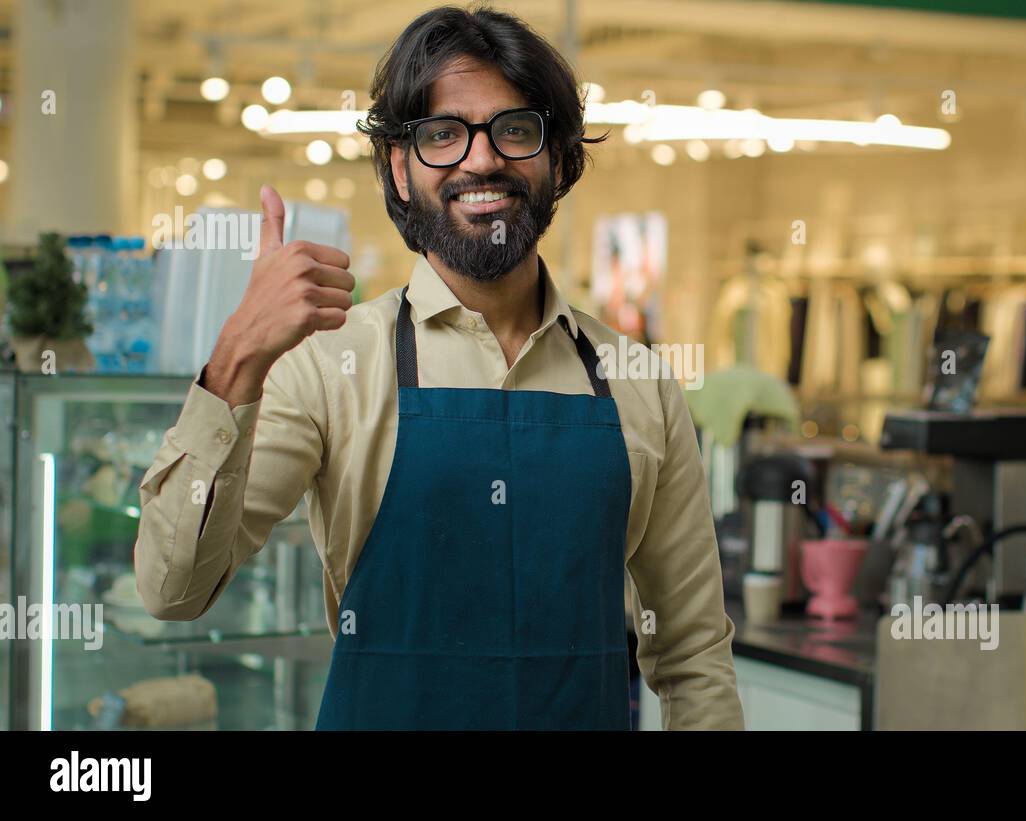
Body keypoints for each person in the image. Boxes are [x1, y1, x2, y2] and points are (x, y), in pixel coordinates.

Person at [133, 5, 744, 731]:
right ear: (399, 166)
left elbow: (693, 653)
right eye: (442, 134)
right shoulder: (328, 363)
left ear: (559, 158)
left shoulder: (637, 379)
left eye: (515, 129)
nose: (481, 160)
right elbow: (172, 590)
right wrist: (237, 356)